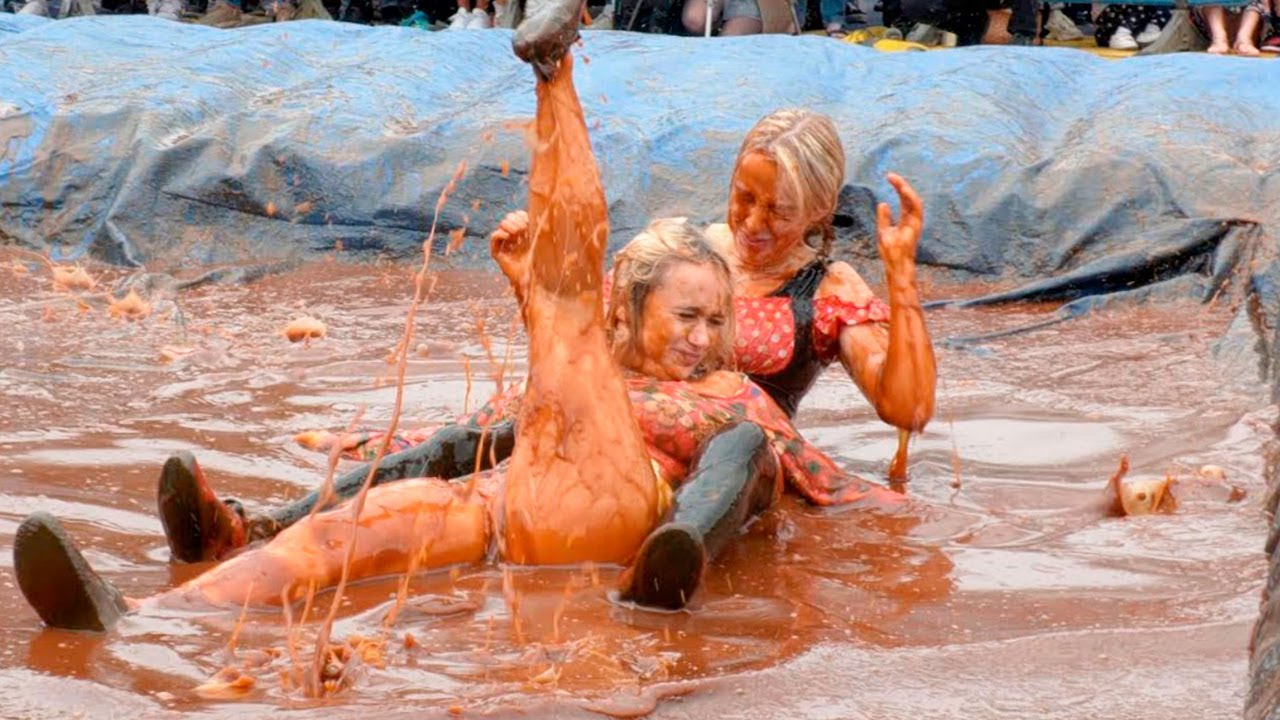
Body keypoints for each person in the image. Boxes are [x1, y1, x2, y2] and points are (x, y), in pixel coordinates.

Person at [15, 61, 909, 625]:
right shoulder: (617, 350)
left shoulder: (740, 389)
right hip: (508, 498)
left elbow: (823, 472)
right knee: (352, 534)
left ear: (814, 215)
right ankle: (147, 610)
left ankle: (668, 564)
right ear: (633, 319)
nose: (706, 337)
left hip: (638, 503)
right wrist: (369, 450)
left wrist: (900, 511)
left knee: (744, 442)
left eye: (716, 324)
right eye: (688, 319)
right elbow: (513, 405)